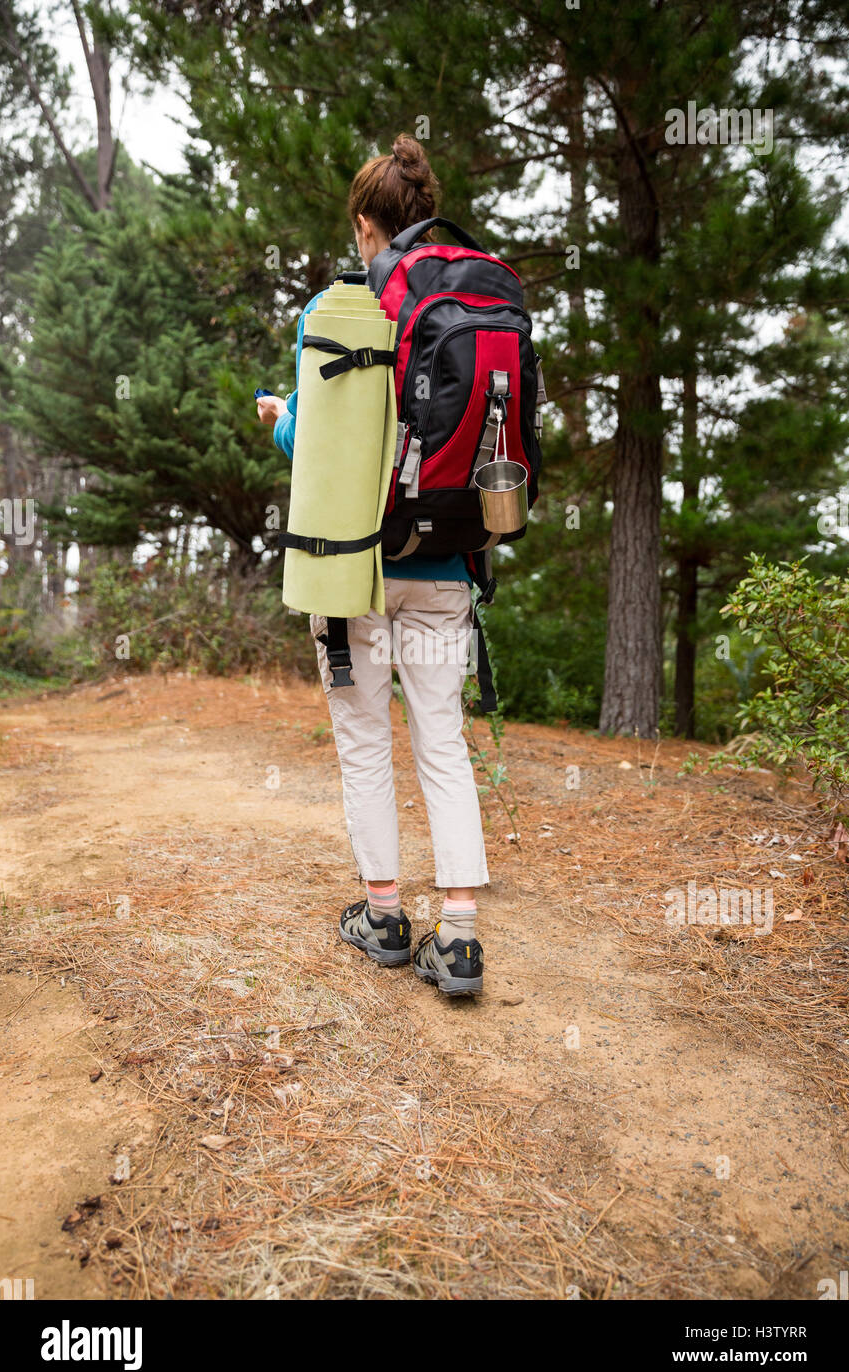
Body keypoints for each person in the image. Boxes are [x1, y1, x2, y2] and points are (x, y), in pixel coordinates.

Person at [257, 134, 487, 997]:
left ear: (365, 224)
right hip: (446, 568)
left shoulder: (336, 308)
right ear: (425, 213)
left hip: (355, 570)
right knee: (443, 741)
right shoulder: (472, 298)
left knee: (363, 741)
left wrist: (282, 416)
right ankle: (459, 935)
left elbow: (315, 443)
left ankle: (384, 915)